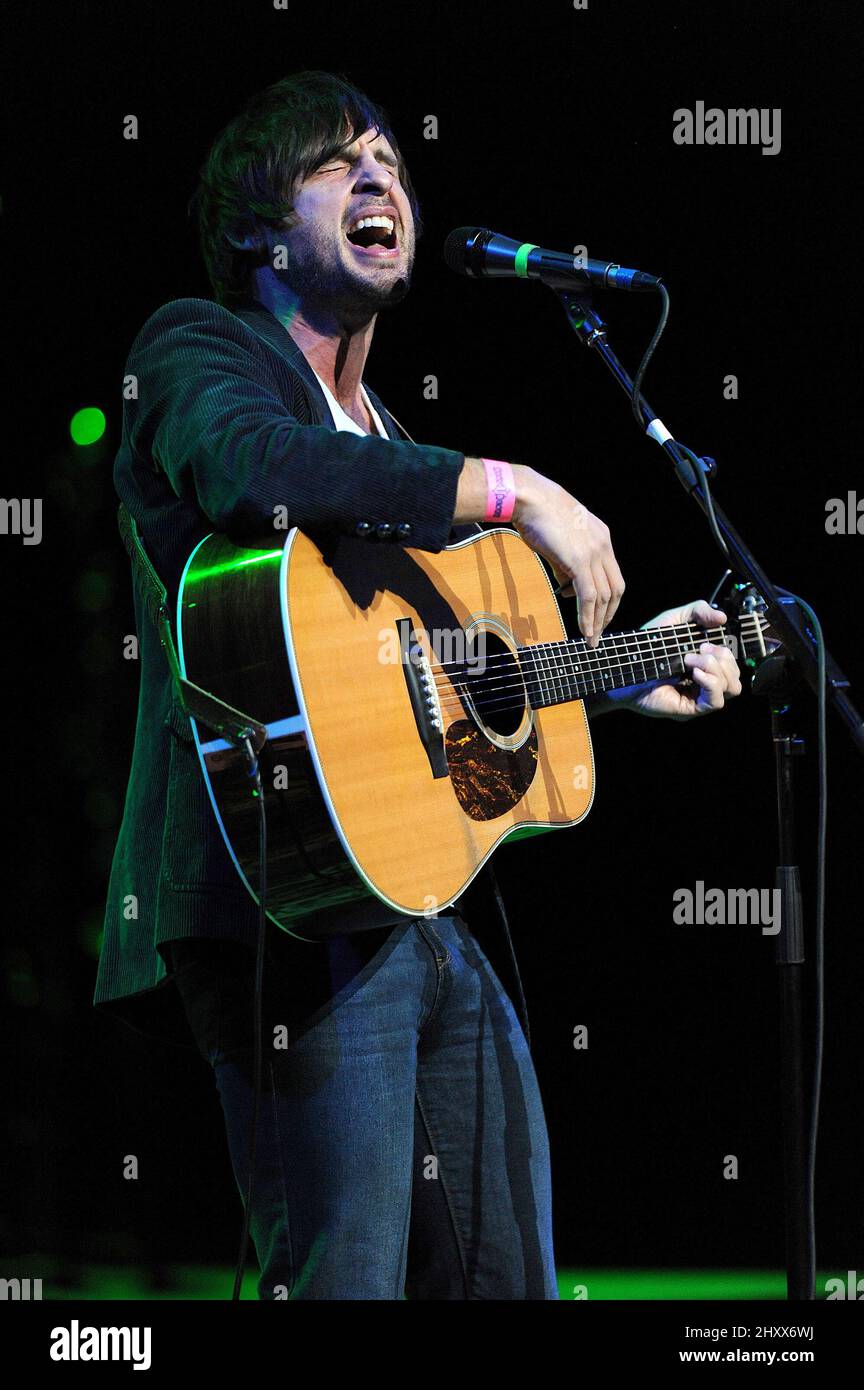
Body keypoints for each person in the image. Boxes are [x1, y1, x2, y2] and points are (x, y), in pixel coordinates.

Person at [94, 70, 742, 1300]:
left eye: (391, 157)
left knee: (514, 1282)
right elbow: (253, 470)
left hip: (425, 905)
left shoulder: (388, 428)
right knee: (348, 1283)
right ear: (254, 229)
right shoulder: (196, 349)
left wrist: (614, 674)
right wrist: (520, 488)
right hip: (287, 907)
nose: (381, 176)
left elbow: (424, 687)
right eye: (337, 163)